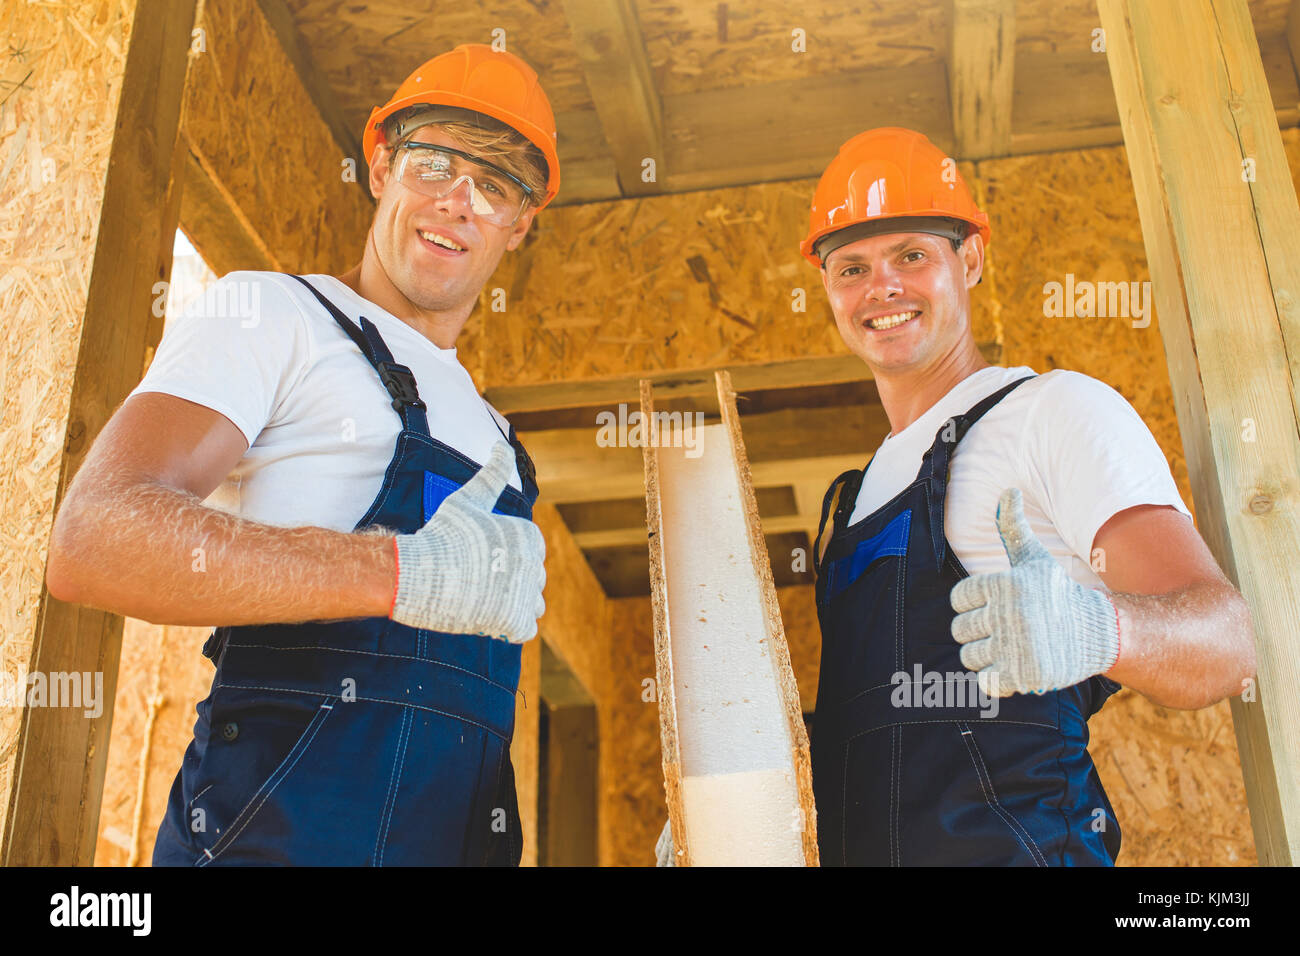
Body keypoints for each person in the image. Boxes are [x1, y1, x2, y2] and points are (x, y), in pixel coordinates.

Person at [45, 44, 560, 866]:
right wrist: (395, 574)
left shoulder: (501, 444)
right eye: (435, 163)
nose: (459, 202)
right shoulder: (278, 315)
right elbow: (94, 540)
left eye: (495, 186)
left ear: (520, 222)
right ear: (382, 164)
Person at [801, 127, 1256, 865]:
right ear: (825, 286)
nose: (880, 288)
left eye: (911, 255)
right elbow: (880, 739)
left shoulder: (1049, 414)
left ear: (970, 258)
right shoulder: (856, 500)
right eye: (851, 267)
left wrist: (1093, 629)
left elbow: (1228, 646)